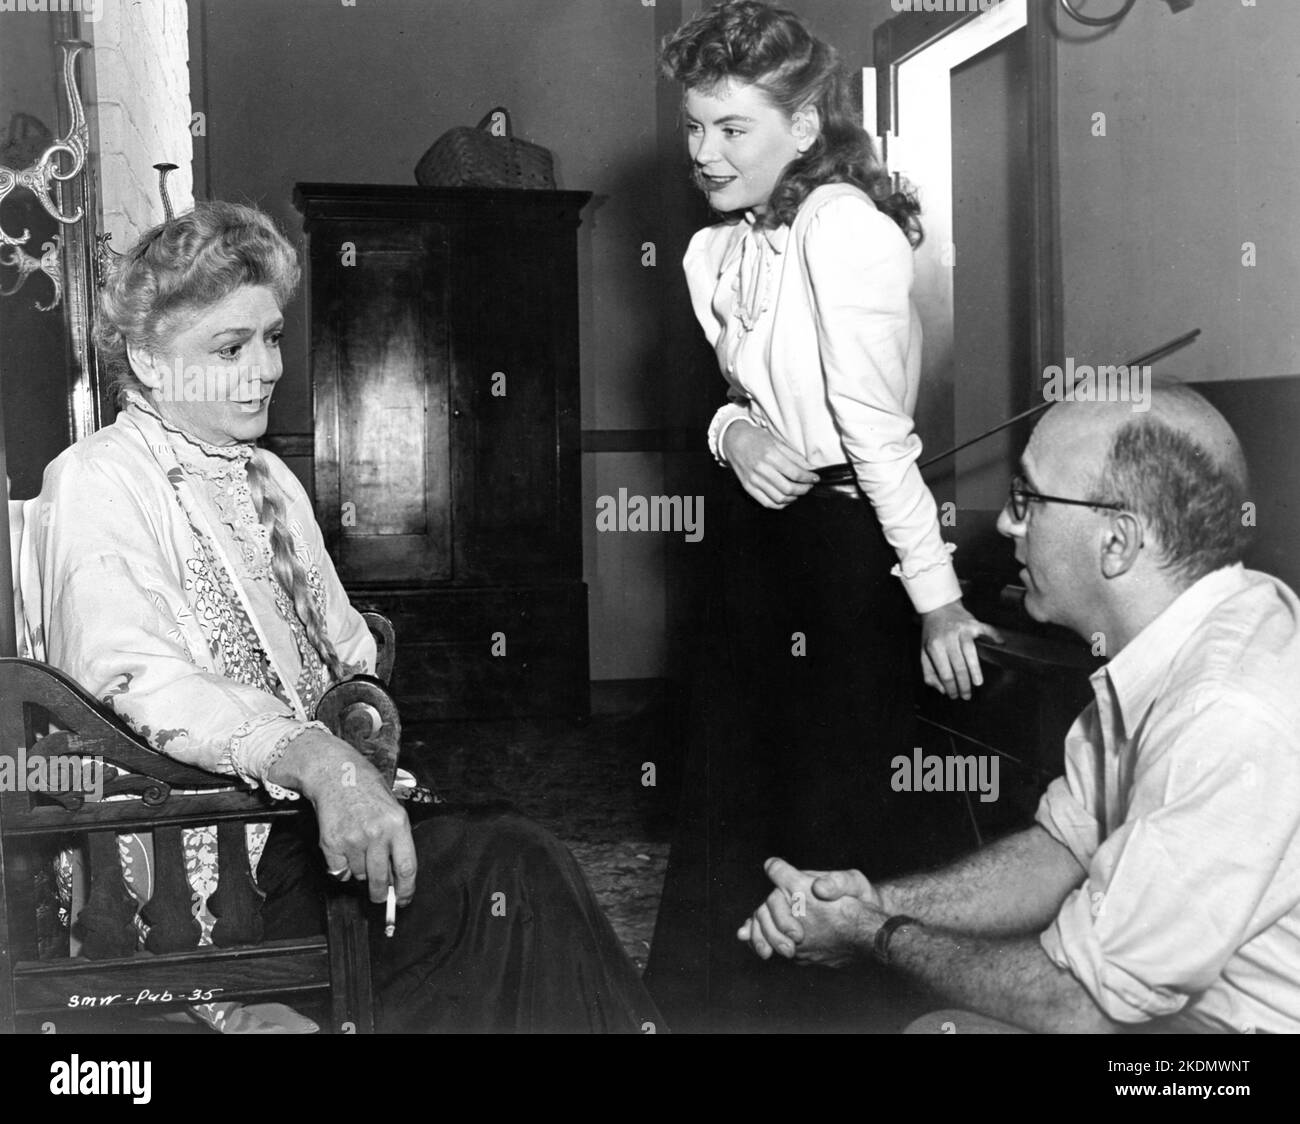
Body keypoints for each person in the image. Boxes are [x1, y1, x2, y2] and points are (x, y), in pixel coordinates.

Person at [17, 200, 664, 1034]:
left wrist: (354, 742)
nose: (265, 370)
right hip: (201, 864)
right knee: (504, 871)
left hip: (295, 827)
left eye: (273, 338)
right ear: (148, 359)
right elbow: (133, 683)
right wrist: (315, 757)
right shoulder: (99, 480)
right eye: (230, 347)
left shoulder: (267, 478)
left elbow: (345, 655)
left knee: (513, 868)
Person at [644, 0, 998, 1030]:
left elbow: (878, 439)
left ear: (802, 126)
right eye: (695, 127)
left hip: (850, 553)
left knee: (833, 803)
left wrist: (935, 604)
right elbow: (731, 410)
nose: (706, 154)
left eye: (733, 128)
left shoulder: (845, 230)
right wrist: (733, 438)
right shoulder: (715, 253)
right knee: (728, 784)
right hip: (755, 544)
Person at [738, 385, 1300, 1033]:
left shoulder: (1228, 710)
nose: (1007, 523)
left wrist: (874, 935)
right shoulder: (1182, 643)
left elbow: (1078, 1005)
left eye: (1028, 499)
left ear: (1117, 542)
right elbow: (1062, 850)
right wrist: (871, 901)